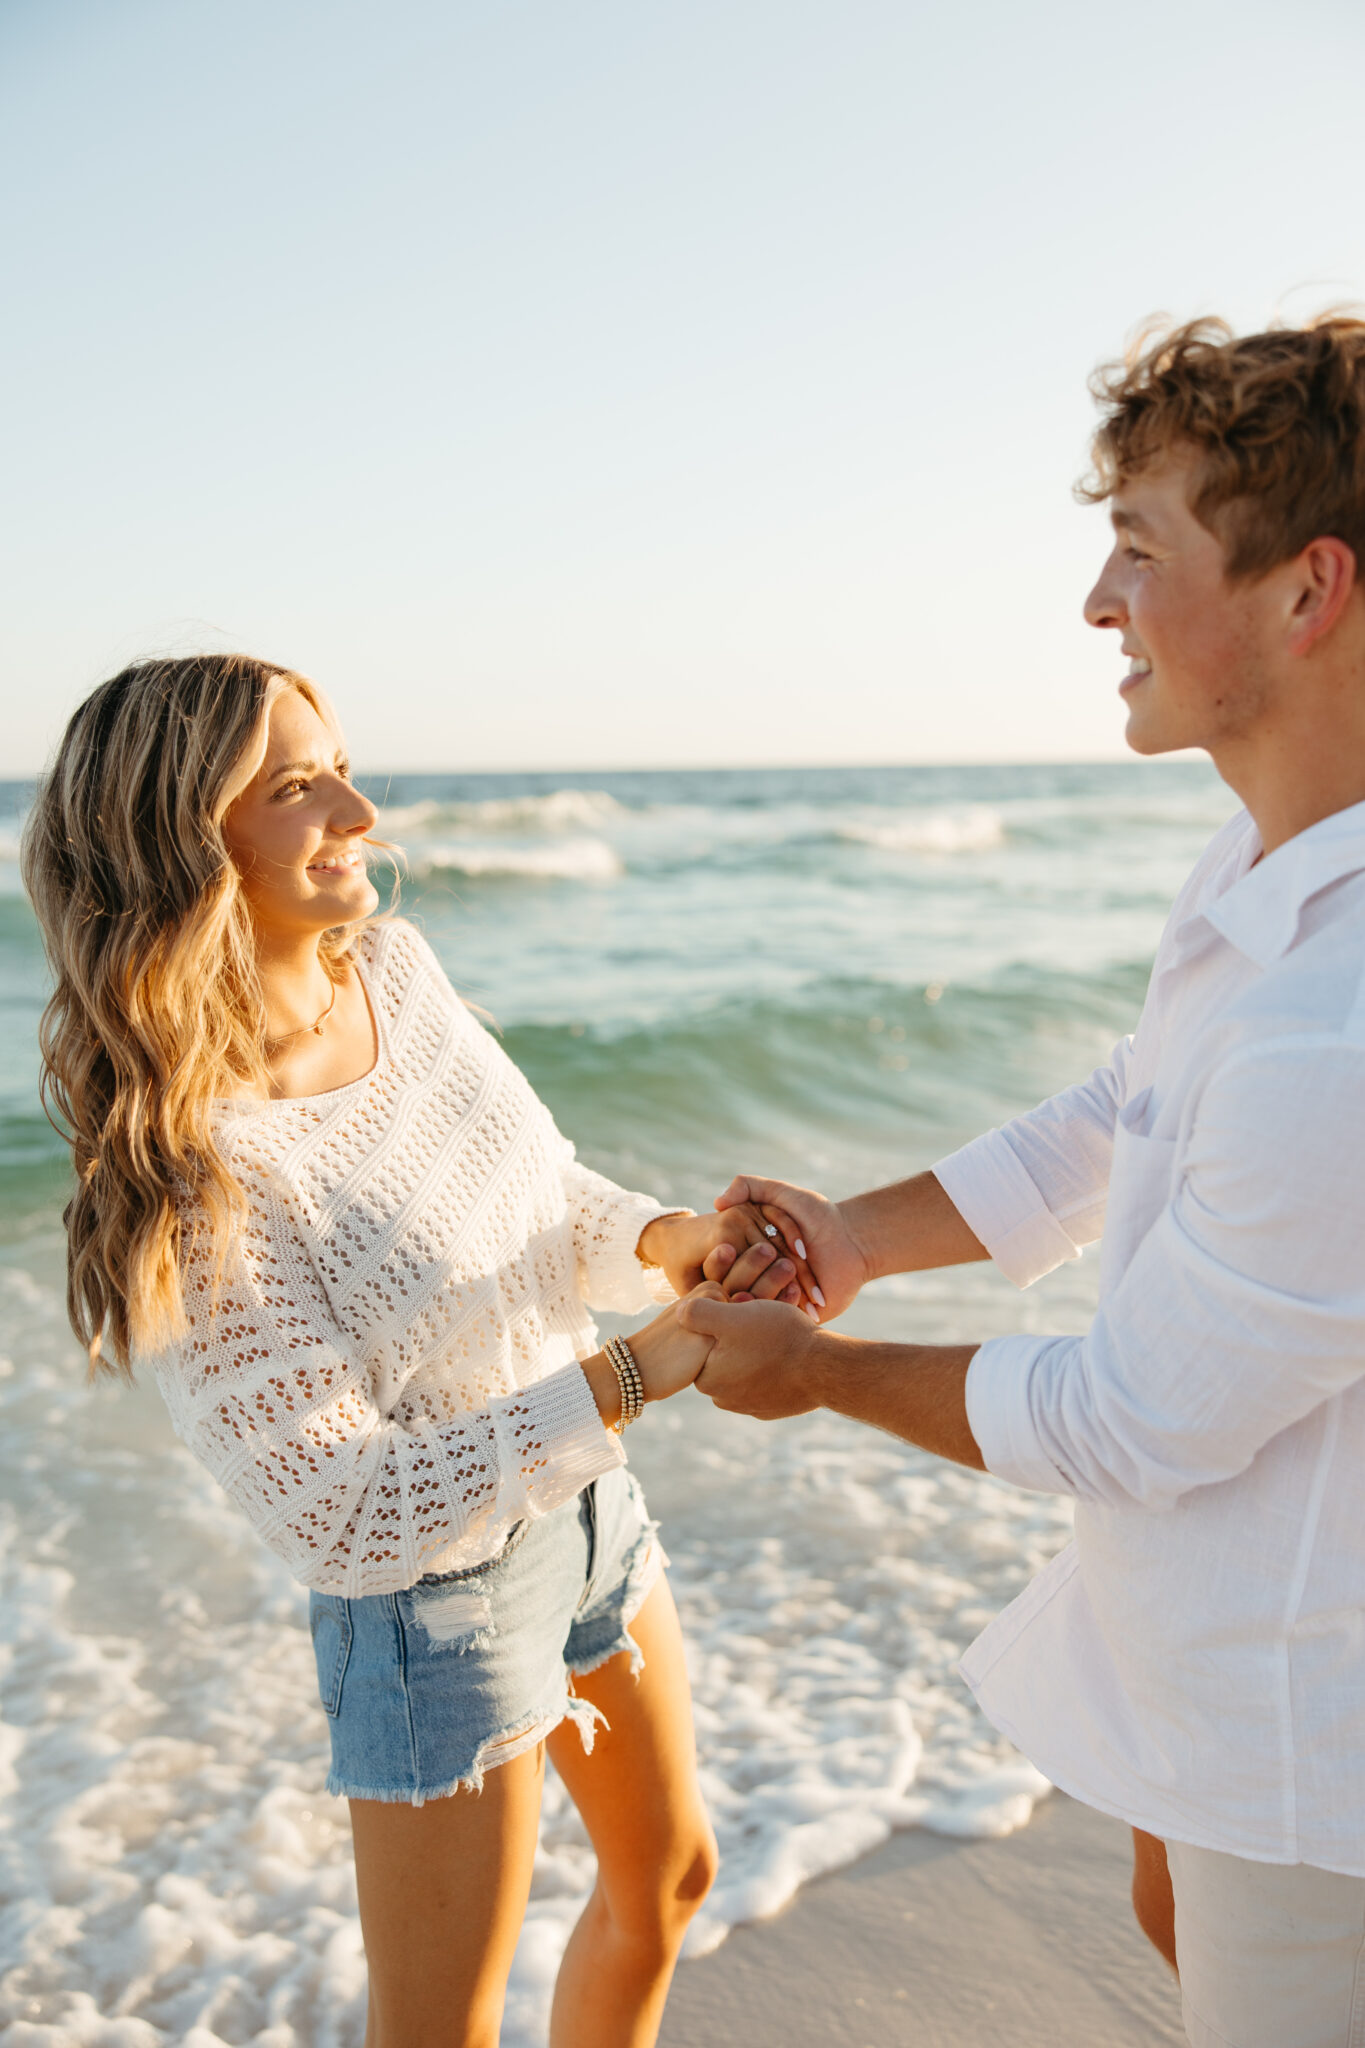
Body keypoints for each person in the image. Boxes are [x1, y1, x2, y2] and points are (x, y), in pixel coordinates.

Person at [681, 316, 1365, 2048]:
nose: (1093, 604)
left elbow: (1136, 1422)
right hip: (1223, 1655)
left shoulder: (1333, 1030)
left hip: (1312, 1739)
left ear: (1307, 594)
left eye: (1138, 553)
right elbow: (1122, 1109)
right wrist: (853, 1241)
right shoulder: (1261, 869)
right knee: (1158, 1906)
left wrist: (816, 1377)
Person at [21, 653, 817, 2048]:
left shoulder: (393, 967)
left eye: (338, 764)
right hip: (434, 1610)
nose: (358, 807)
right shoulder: (193, 1175)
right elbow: (349, 1514)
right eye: (295, 786)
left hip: (586, 1513)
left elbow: (537, 1198)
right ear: (179, 840)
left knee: (671, 1876)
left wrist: (668, 1243)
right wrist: (643, 1369)